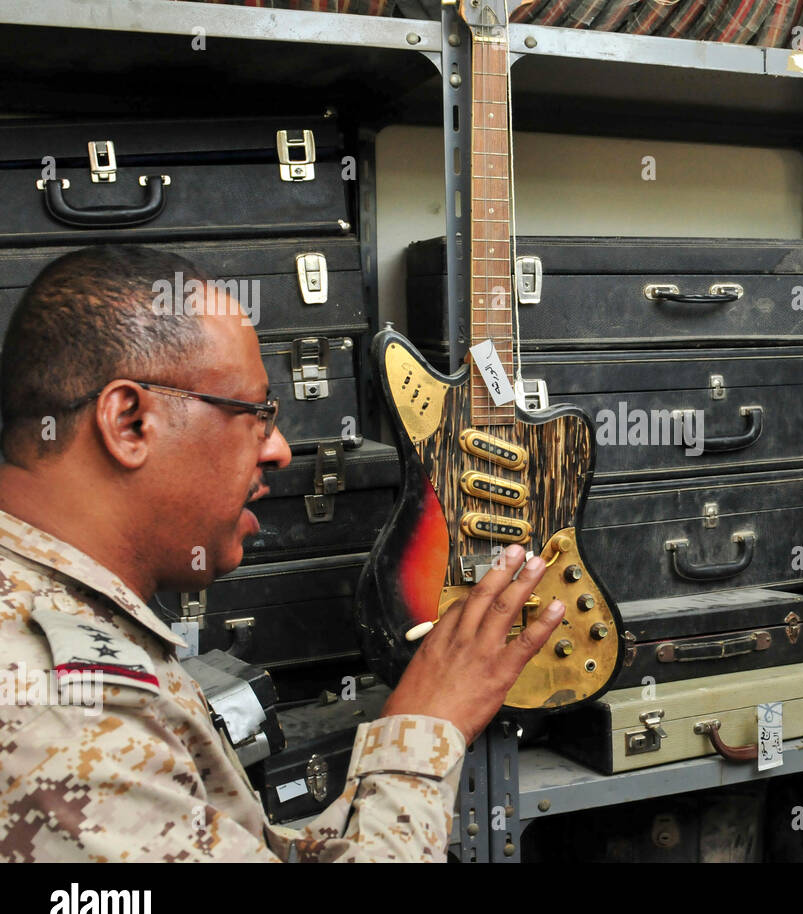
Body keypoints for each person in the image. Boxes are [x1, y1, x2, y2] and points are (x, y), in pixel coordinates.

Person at [0, 244, 563, 861]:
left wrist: (417, 718)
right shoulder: (58, 710)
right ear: (131, 423)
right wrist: (429, 730)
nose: (279, 451)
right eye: (257, 414)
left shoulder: (65, 627)